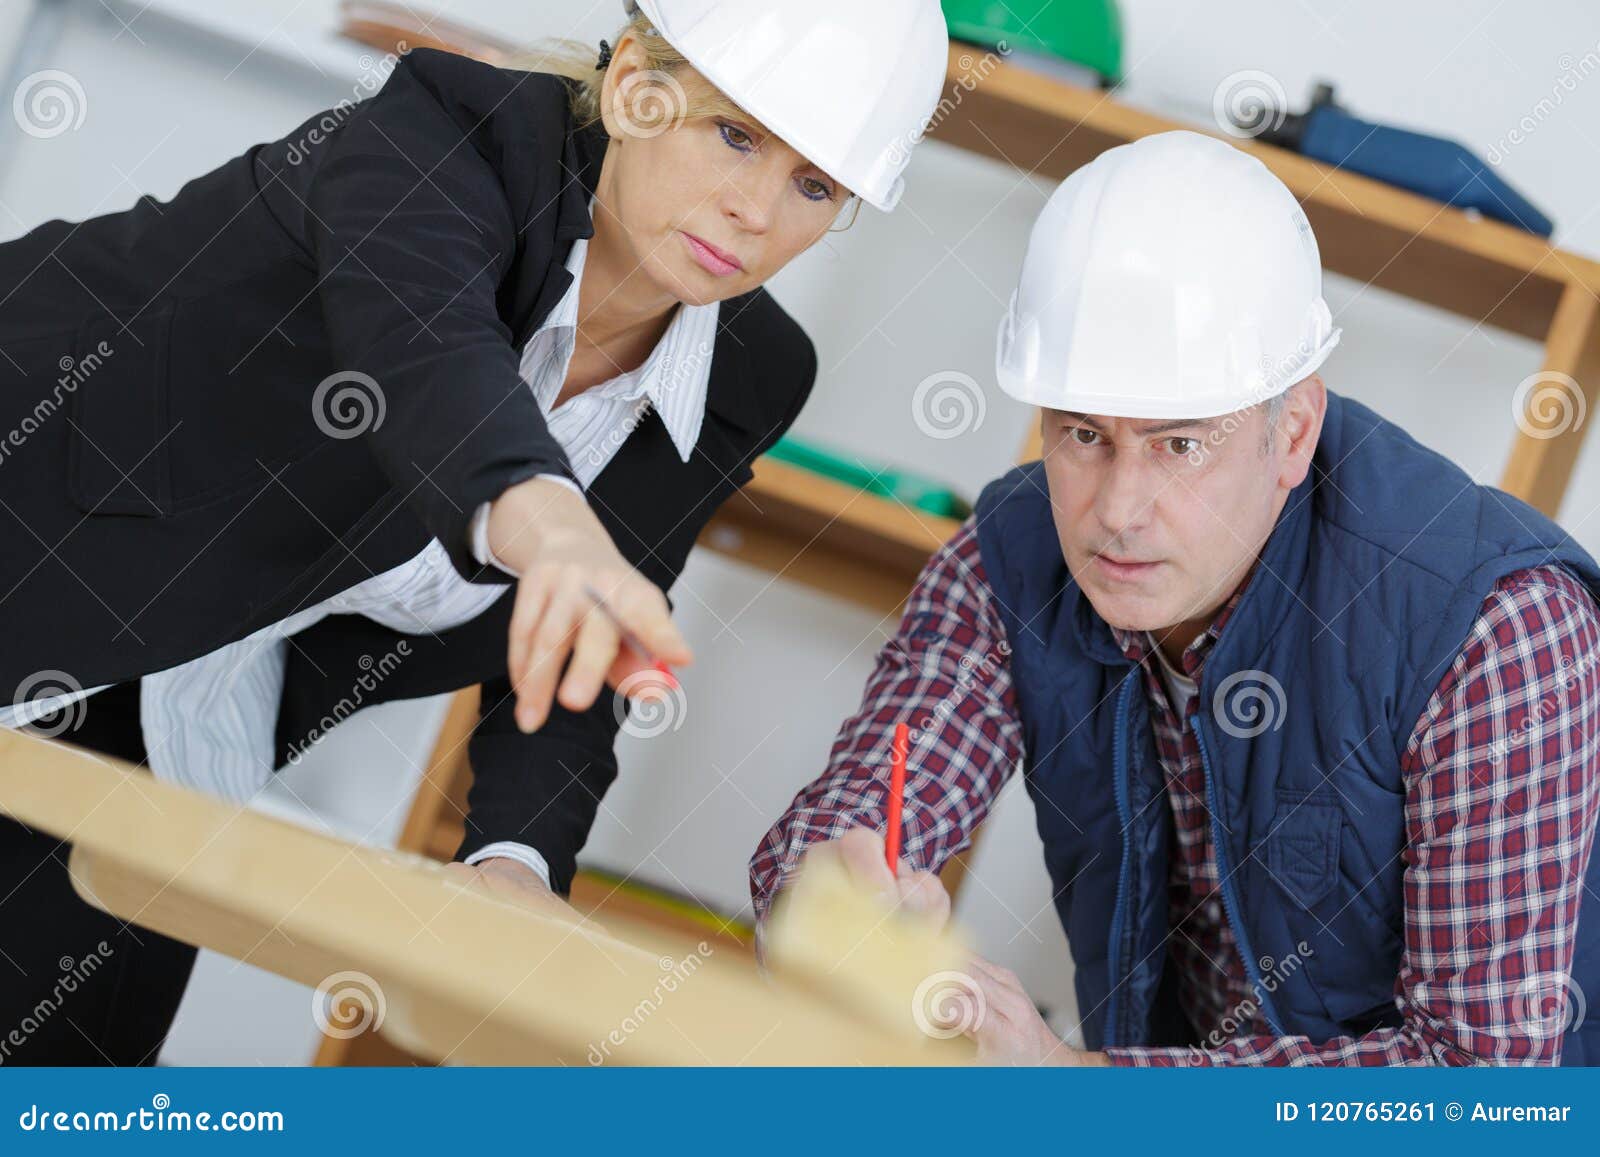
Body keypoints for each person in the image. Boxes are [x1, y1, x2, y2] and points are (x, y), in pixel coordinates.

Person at [0, 0, 950, 1063]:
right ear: (636, 76)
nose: (755, 210)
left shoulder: (753, 372)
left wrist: (515, 861)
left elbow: (593, 635)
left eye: (815, 184)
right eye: (734, 134)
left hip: (167, 719)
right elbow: (425, 357)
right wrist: (551, 526)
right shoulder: (442, 135)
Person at [751, 131, 1600, 1066]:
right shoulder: (1007, 563)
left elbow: (1477, 1092)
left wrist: (1078, 1087)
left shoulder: (1494, 633)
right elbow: (874, 794)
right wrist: (828, 889)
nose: (1117, 512)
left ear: (1293, 433)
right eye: (1081, 433)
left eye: (1180, 445)